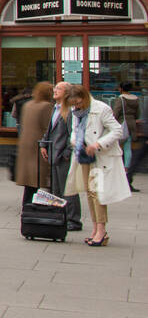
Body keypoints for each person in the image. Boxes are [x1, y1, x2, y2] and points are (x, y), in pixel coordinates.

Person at [62, 83, 130, 247]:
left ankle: (101, 230)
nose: (76, 106)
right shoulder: (75, 111)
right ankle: (96, 229)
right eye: (73, 104)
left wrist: (98, 144)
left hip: (100, 157)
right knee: (89, 192)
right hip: (83, 156)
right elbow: (75, 131)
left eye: (78, 103)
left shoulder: (101, 108)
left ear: (84, 97)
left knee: (97, 193)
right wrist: (75, 142)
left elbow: (117, 130)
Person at [42, 82, 82, 232]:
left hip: (64, 155)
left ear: (66, 93)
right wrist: (43, 145)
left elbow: (73, 133)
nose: (55, 90)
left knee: (69, 188)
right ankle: (60, 216)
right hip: (53, 152)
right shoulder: (55, 108)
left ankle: (74, 220)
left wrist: (67, 153)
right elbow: (49, 128)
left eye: (59, 88)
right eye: (55, 88)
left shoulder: (70, 111)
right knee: (56, 189)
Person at [15, 82, 53, 208]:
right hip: (38, 146)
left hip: (26, 145)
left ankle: (27, 204)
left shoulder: (28, 104)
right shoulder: (47, 106)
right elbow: (48, 128)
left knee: (30, 180)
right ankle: (41, 205)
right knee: (40, 177)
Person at [111, 82, 139, 190]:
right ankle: (127, 171)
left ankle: (118, 172)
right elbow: (138, 114)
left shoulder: (121, 99)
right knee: (128, 149)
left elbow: (116, 113)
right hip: (131, 125)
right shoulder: (135, 99)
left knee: (117, 148)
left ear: (121, 89)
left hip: (121, 125)